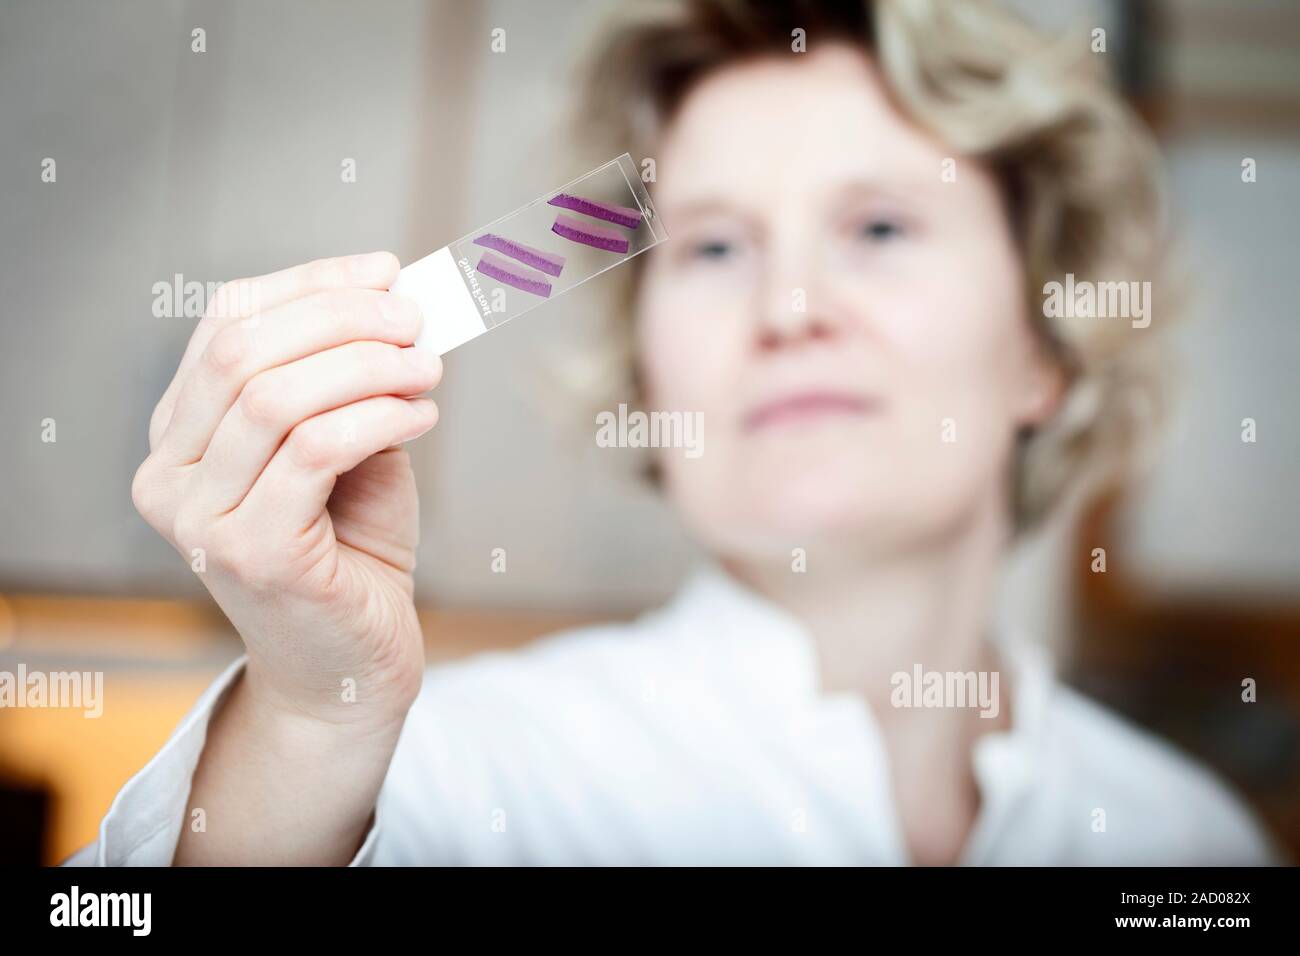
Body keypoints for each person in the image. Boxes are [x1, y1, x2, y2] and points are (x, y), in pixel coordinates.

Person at [68, 0, 1281, 865]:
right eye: (711, 245)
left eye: (880, 228)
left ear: (1041, 347)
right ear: (645, 356)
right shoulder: (428, 784)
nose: (789, 307)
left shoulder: (1194, 847)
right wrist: (312, 718)